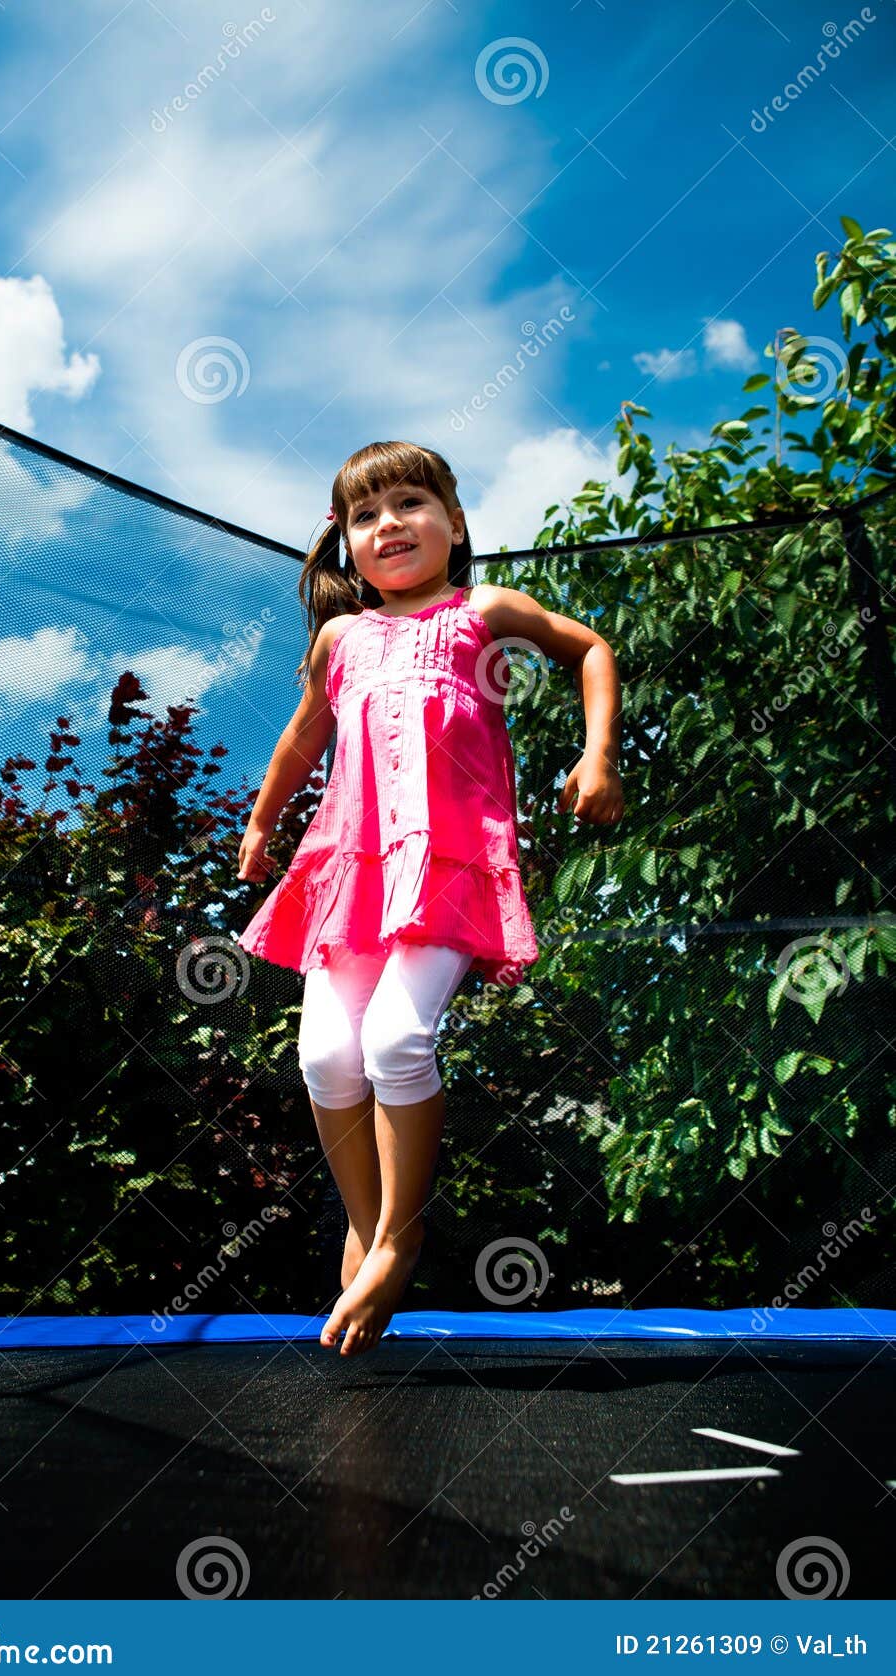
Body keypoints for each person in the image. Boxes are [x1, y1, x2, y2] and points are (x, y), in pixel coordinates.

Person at [236, 441, 623, 1358]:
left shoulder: (479, 612)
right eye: (365, 516)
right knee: (328, 1056)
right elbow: (300, 742)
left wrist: (596, 753)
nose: (389, 526)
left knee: (397, 1041)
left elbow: (590, 649)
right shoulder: (340, 639)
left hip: (449, 863)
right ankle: (368, 1230)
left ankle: (400, 1240)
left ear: (454, 522)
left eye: (410, 503)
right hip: (351, 874)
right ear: (345, 546)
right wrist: (260, 823)